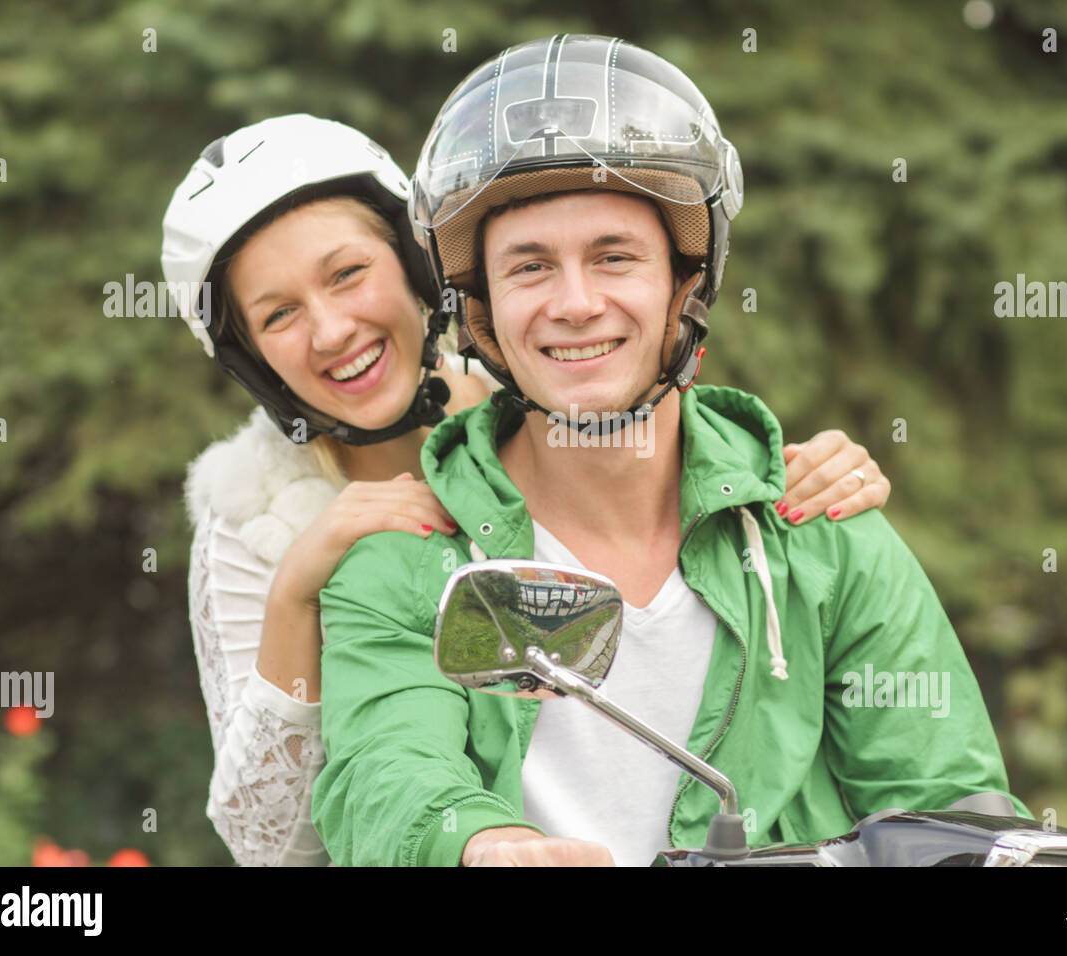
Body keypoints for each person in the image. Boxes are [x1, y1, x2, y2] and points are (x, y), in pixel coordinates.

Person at [312, 35, 1030, 868]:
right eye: (530, 267)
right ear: (481, 314)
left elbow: (948, 803)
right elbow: (384, 775)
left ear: (684, 283)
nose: (576, 304)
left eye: (615, 257)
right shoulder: (404, 560)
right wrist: (486, 846)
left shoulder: (823, 529)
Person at [162, 113, 893, 865]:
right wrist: (295, 590)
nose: (330, 331)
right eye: (278, 314)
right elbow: (265, 844)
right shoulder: (252, 521)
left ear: (418, 268)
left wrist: (806, 480)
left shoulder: (540, 397)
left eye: (347, 274)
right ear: (250, 357)